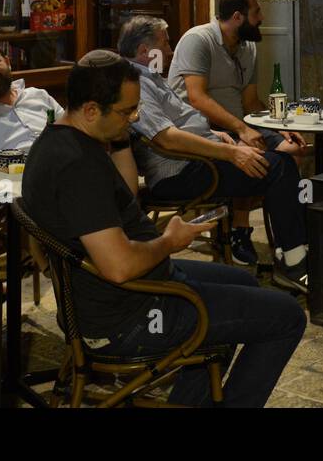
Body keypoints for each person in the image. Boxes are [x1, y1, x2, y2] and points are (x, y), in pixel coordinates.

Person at [21, 51, 305, 407]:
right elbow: (119, 266)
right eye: (127, 112)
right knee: (287, 316)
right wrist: (170, 241)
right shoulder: (78, 167)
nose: (137, 118)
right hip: (127, 317)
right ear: (91, 110)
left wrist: (120, 137)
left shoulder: (57, 141)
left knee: (244, 283)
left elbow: (124, 196)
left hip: (114, 296)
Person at [117, 17, 309, 286]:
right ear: (144, 51)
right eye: (165, 43)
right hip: (181, 173)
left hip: (198, 157)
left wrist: (217, 136)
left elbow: (176, 124)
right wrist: (229, 153)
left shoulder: (152, 77)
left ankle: (291, 248)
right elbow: (166, 139)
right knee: (279, 167)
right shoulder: (135, 83)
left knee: (280, 153)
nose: (171, 50)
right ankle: (292, 261)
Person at [167, 0, 304, 263]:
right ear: (238, 16)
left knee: (294, 147)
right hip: (203, 127)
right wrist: (242, 131)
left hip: (237, 122)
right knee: (254, 150)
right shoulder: (198, 40)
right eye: (257, 13)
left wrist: (279, 125)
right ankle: (242, 231)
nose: (262, 18)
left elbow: (251, 101)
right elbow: (196, 98)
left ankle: (284, 240)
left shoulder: (248, 46)